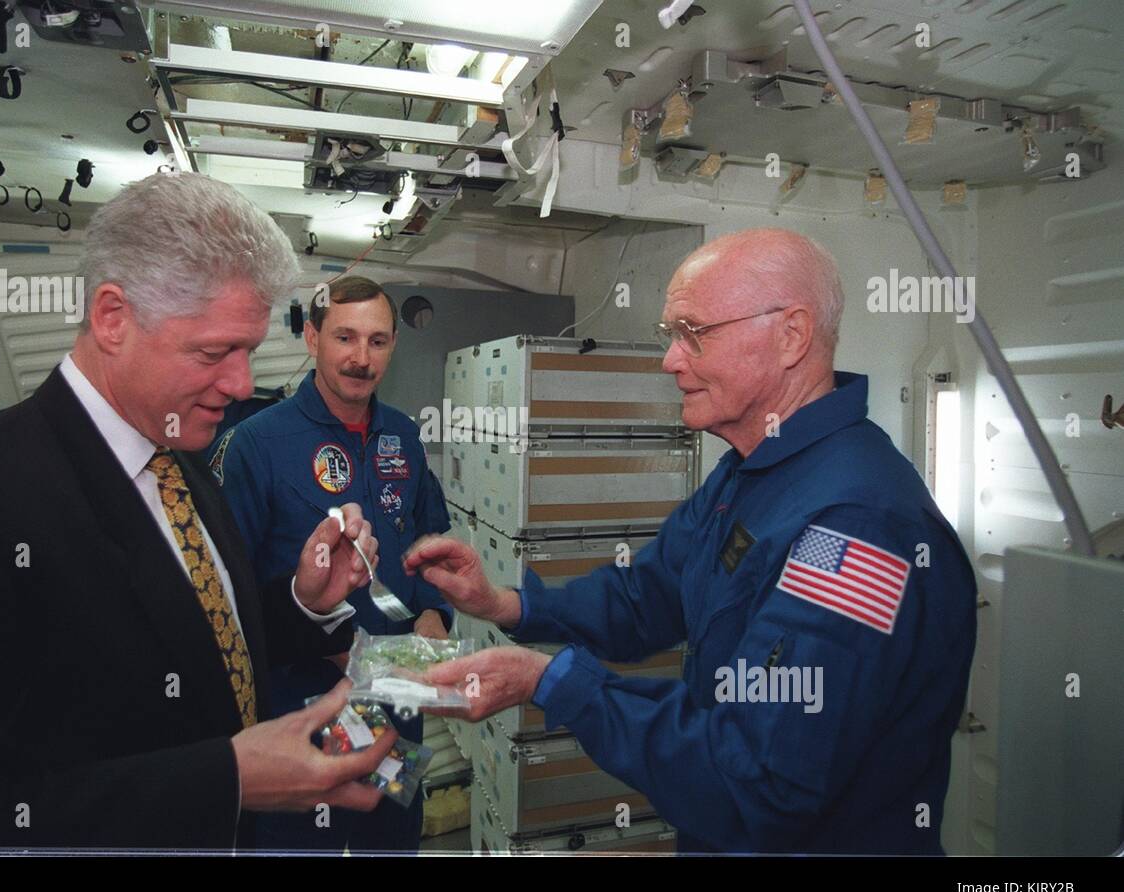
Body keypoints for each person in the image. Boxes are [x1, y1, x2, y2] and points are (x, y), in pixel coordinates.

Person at [0, 173, 396, 848]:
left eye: (247, 351)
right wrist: (227, 779)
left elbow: (191, 641)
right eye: (215, 352)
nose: (242, 384)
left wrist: (303, 600)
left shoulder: (176, 454)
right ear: (113, 318)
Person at [405, 228, 978, 854]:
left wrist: (550, 681)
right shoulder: (751, 468)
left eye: (694, 333)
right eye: (670, 334)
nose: (670, 360)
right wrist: (505, 604)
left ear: (791, 335)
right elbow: (648, 595)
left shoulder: (856, 526)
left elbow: (757, 779)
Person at [211, 275, 452, 853]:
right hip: (304, 705)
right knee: (298, 845)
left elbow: (428, 535)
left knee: (392, 834)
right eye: (345, 338)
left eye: (377, 341)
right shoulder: (257, 443)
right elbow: (226, 589)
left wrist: (435, 613)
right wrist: (327, 642)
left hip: (393, 697)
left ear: (393, 345)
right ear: (312, 338)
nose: (361, 358)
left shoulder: (402, 435)